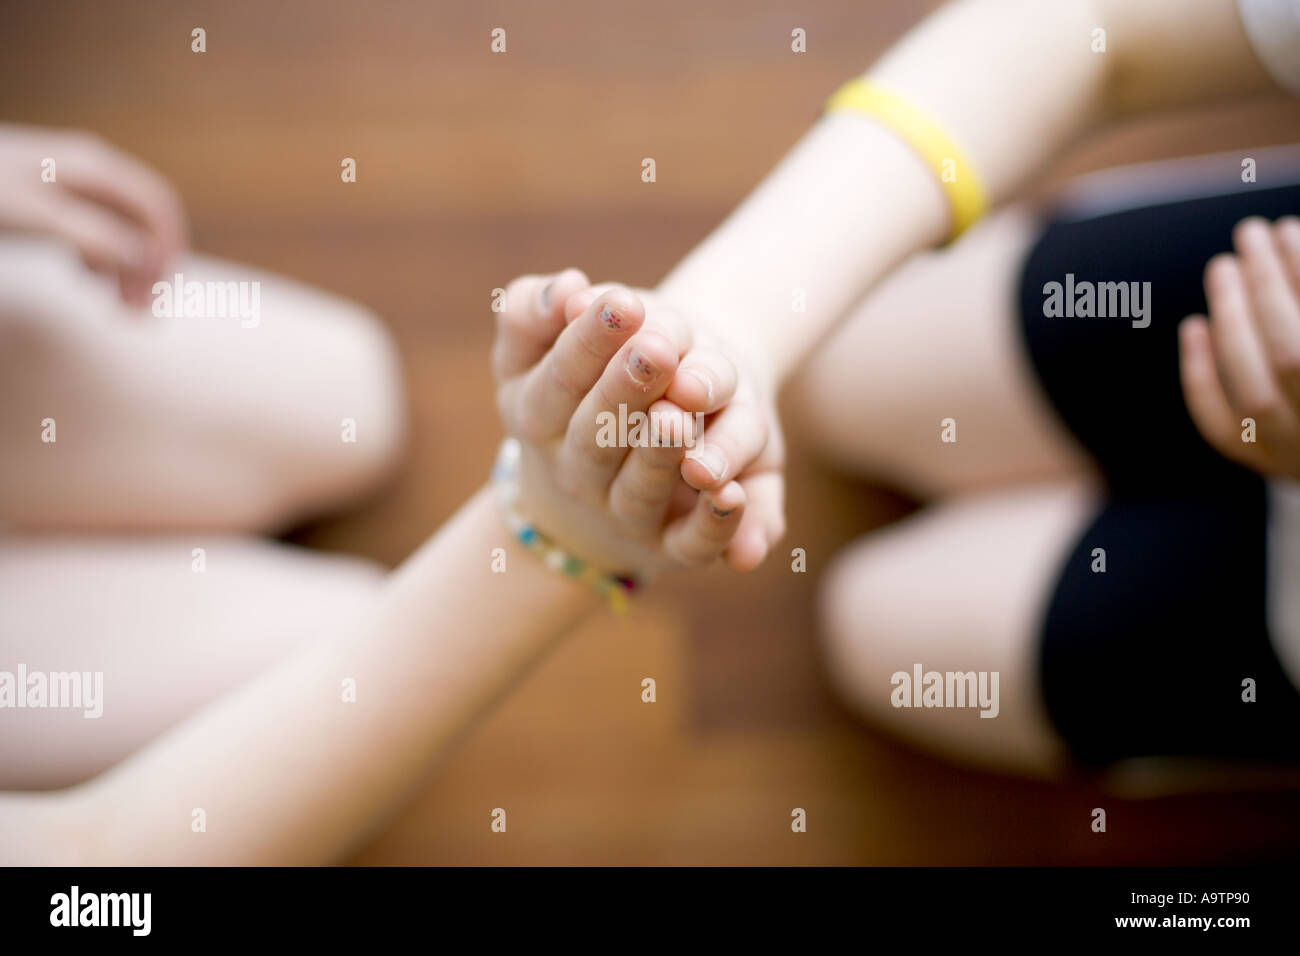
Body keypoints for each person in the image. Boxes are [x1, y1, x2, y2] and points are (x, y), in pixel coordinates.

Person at [554, 0, 1300, 775]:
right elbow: (1096, 29)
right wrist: (734, 319)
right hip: (1269, 283)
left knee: (873, 631)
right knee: (843, 364)